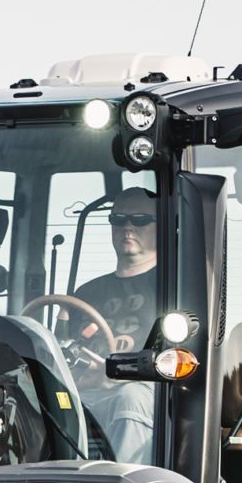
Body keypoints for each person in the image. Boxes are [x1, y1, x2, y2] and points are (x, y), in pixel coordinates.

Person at [66, 186, 162, 464]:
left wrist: (113, 374)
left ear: (162, 227)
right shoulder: (85, 293)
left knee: (129, 399)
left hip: (145, 392)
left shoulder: (172, 285)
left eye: (140, 220)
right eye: (118, 220)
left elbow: (177, 359)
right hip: (87, 390)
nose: (127, 227)